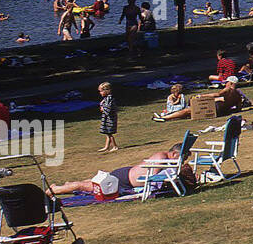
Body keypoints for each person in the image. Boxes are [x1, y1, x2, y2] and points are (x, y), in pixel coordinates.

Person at [49, 147, 197, 197]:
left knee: (90, 183)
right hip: (122, 180)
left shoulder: (165, 157)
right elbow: (153, 178)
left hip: (125, 176)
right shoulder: (161, 157)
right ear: (174, 154)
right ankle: (55, 189)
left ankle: (66, 184)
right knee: (84, 186)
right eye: (181, 158)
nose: (182, 161)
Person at [98, 81, 119, 154]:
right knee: (107, 132)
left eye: (101, 91)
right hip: (107, 117)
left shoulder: (109, 98)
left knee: (109, 133)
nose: (100, 93)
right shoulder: (106, 98)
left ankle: (115, 146)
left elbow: (109, 108)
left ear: (106, 91)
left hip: (110, 118)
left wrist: (103, 108)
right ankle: (106, 146)